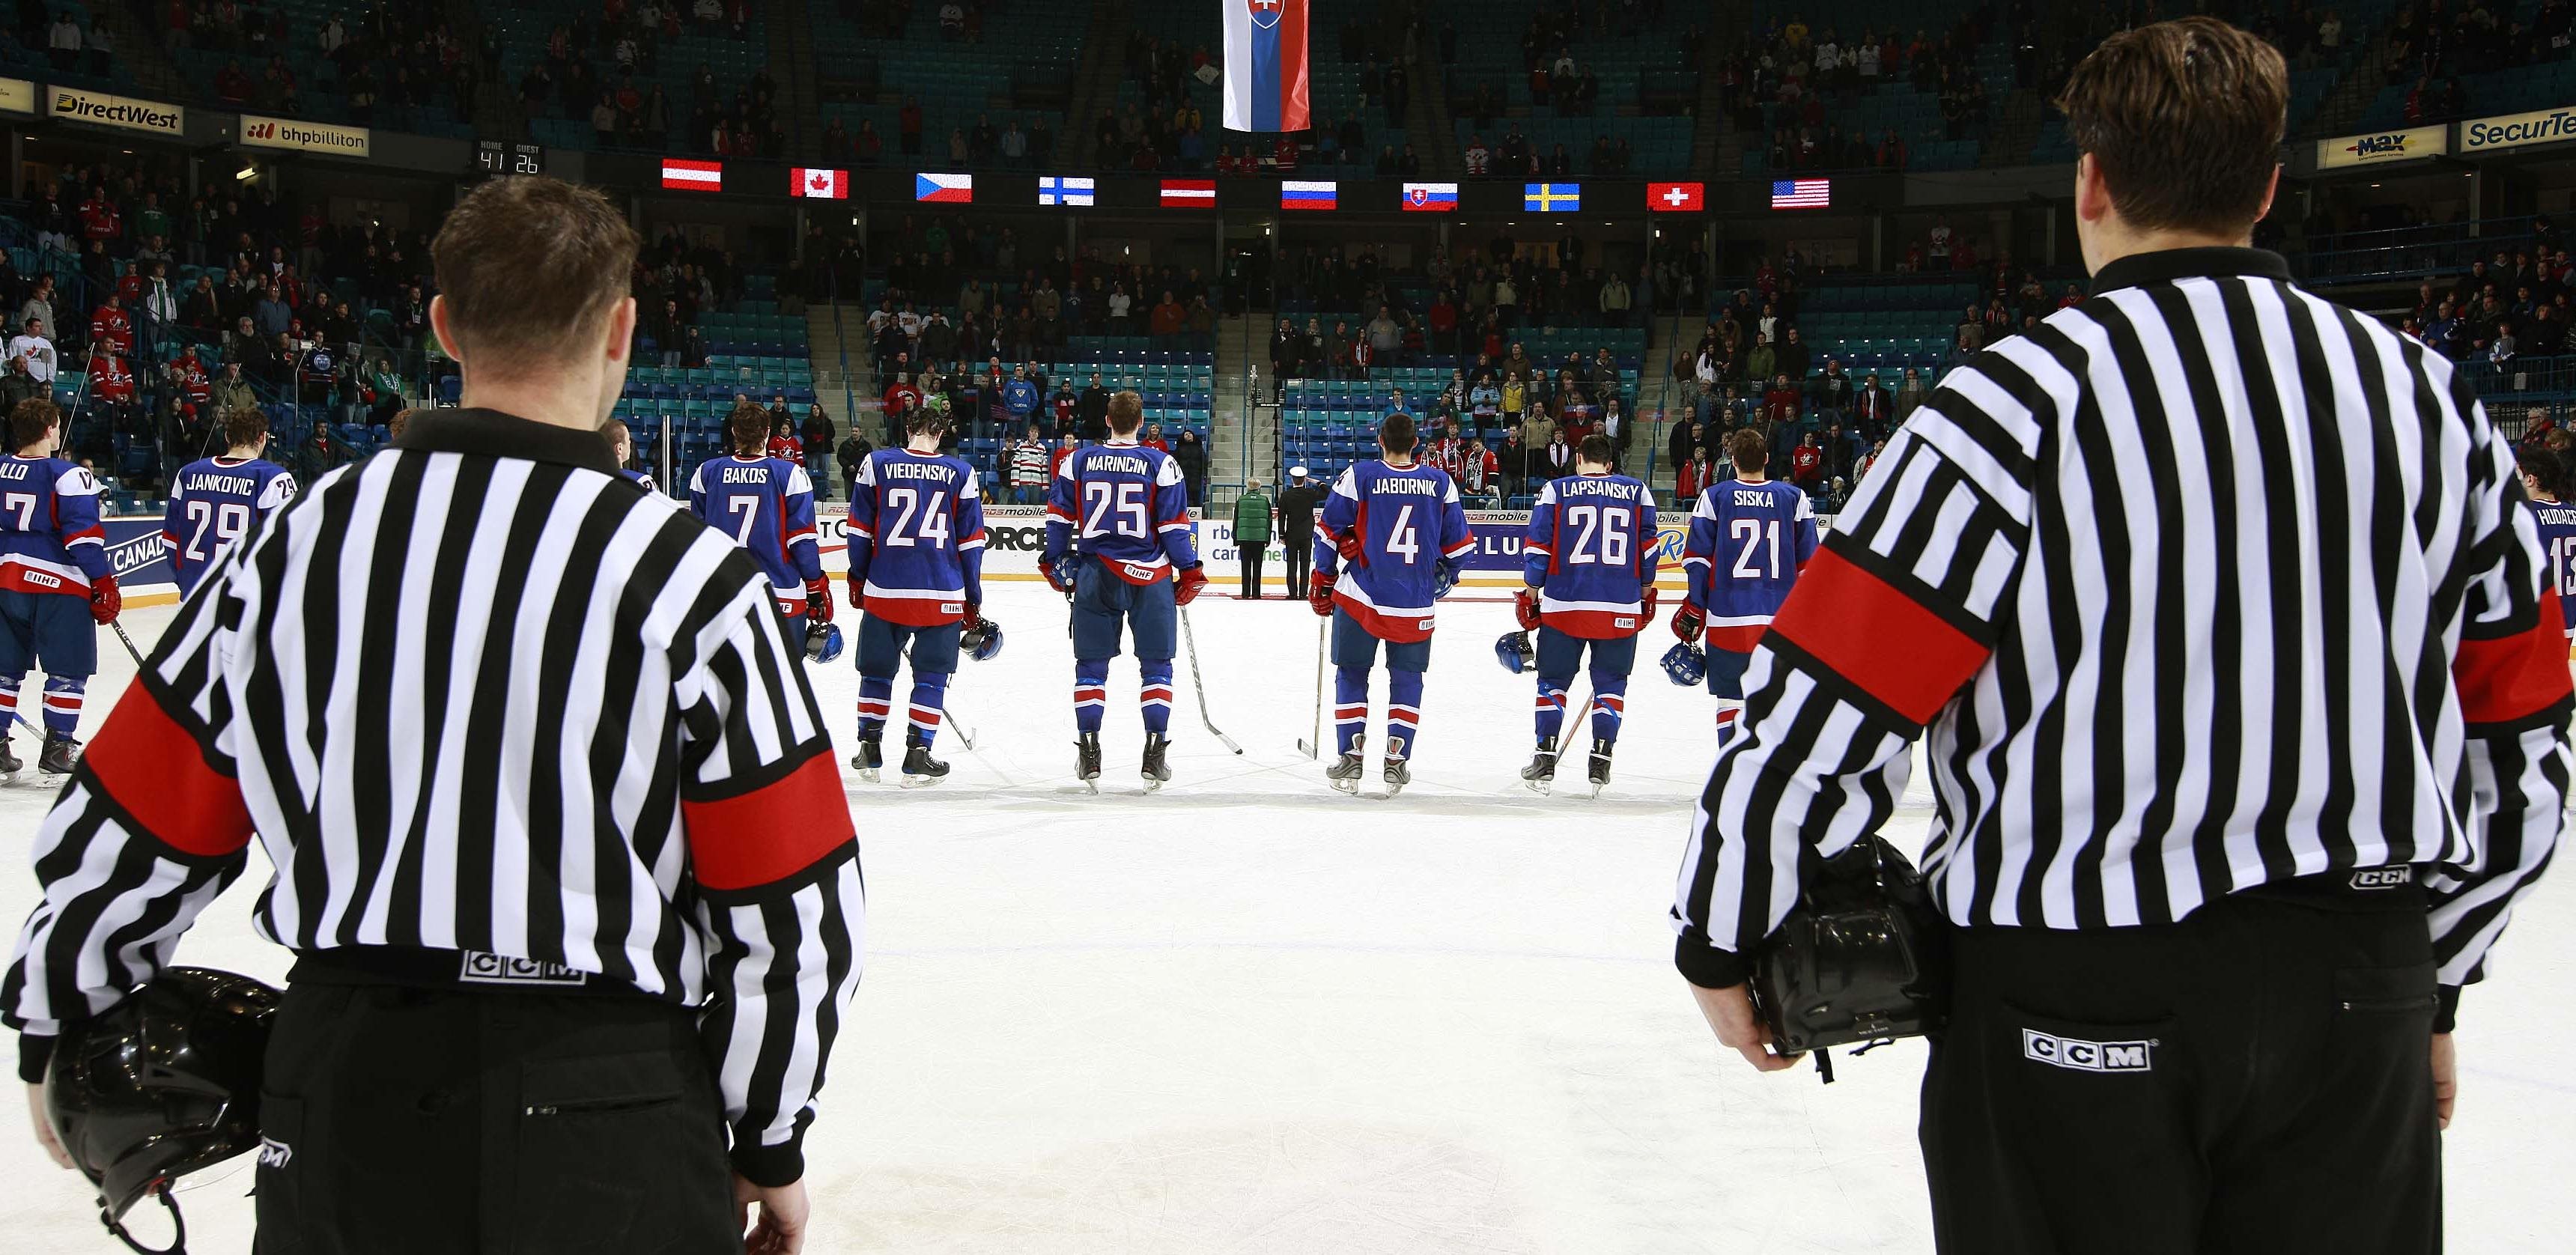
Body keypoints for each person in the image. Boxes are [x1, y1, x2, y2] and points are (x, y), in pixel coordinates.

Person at [1674, 19, 2572, 1254]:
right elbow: (2523, 738)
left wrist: (1721, 932)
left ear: (2090, 182)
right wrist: (2435, 978)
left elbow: (1825, 708)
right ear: (2267, 187)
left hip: (2069, 984)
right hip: (2356, 984)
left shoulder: (2006, 407)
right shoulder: (2429, 401)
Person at [5, 175, 854, 1252]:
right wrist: (768, 1138)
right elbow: (793, 903)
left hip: (346, 1089)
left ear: (444, 326)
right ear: (621, 328)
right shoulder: (693, 576)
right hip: (615, 1107)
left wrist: (59, 1016)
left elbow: (136, 816)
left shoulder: (294, 547)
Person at [1043, 390, 1209, 789]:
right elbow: (1173, 526)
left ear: (1107, 420)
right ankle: (1155, 752)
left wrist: (1055, 559)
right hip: (1151, 578)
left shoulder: (1077, 461)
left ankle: (1089, 751)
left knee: (1091, 667)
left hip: (1095, 574)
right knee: (1156, 666)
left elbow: (1059, 518)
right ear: (1140, 423)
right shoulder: (1161, 463)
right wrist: (1189, 569)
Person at [1309, 412, 1473, 794]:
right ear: (1416, 444)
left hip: (1360, 597)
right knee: (1408, 679)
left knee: (1352, 673)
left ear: (1380, 441)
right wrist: (1443, 575)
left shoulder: (1360, 475)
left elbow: (1327, 532)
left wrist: (1324, 578)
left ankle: (1351, 755)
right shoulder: (1440, 482)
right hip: (1414, 604)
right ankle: (1397, 759)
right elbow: (1460, 549)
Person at [845, 405, 987, 786]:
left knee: (876, 672)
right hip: (942, 593)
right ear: (940, 434)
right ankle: (918, 753)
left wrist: (858, 578)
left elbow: (858, 531)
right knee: (932, 677)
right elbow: (971, 542)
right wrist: (972, 596)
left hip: (885, 589)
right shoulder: (962, 473)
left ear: (908, 429)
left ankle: (869, 748)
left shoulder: (876, 463)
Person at [1513, 433, 1656, 792]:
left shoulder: (1556, 490)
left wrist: (1531, 592)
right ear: (1610, 464)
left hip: (1565, 605)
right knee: (1611, 684)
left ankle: (1544, 756)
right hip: (1620, 605)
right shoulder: (1637, 492)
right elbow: (1649, 551)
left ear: (1578, 460)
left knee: (1553, 681)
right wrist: (1643, 594)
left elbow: (1539, 548)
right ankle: (1601, 760)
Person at [1672, 427, 1817, 741]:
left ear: (1733, 461)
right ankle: (1772, 770)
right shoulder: (1794, 498)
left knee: (1731, 702)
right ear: (1767, 459)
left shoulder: (1714, 497)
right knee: (1780, 703)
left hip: (1728, 619)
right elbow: (1811, 569)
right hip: (1781, 622)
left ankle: (1731, 769)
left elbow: (1698, 561)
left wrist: (1695, 606)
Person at [0, 397, 118, 776]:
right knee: (68, 668)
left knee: (3, 668)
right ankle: (58, 748)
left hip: (6, 580)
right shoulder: (68, 474)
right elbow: (83, 539)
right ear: (50, 429)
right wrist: (102, 581)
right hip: (59, 584)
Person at [691, 401, 831, 651]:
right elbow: (802, 540)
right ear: (768, 432)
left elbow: (697, 538)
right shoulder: (789, 474)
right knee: (782, 672)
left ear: (734, 431)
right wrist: (815, 586)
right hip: (781, 591)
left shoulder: (707, 473)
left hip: (722, 592)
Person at [160, 407, 297, 597]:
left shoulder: (187, 473)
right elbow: (288, 543)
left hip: (194, 595)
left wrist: (185, 581)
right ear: (262, 438)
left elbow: (170, 538)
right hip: (243, 600)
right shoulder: (273, 478)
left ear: (227, 436)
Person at [2523, 441, 2576, 643]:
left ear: (2530, 479)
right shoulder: (2574, 513)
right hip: (2569, 619)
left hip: (2538, 622)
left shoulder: (2525, 515)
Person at [1275, 465, 1321, 595]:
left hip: (1291, 535)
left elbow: (1281, 517)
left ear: (1292, 479)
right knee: (1305, 565)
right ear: (1304, 479)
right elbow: (1328, 492)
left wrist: (1281, 535)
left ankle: (1292, 593)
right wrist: (1317, 482)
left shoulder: (1286, 495)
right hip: (1306, 534)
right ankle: (1303, 593)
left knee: (1291, 565)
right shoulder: (1310, 493)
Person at [1231, 477, 1272, 598]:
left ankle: (1245, 592)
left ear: (1248, 487)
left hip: (1244, 539)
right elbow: (1269, 521)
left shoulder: (1241, 500)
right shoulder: (1265, 500)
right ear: (1259, 487)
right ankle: (1256, 593)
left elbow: (1236, 520)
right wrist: (1268, 538)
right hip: (1260, 540)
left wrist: (1235, 539)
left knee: (1245, 567)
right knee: (1257, 567)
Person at [605, 416, 657, 493]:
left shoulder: (589, 479)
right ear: (619, 448)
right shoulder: (641, 481)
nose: (630, 442)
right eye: (628, 439)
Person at [1008, 423, 1052, 505]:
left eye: (1036, 432)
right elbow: (1016, 465)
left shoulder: (1042, 448)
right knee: (1024, 506)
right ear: (1029, 433)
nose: (1034, 433)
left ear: (1038, 434)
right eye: (1032, 431)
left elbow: (1044, 467)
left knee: (1035, 507)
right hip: (1024, 481)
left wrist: (1045, 485)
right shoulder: (1021, 447)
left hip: (1037, 482)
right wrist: (1015, 483)